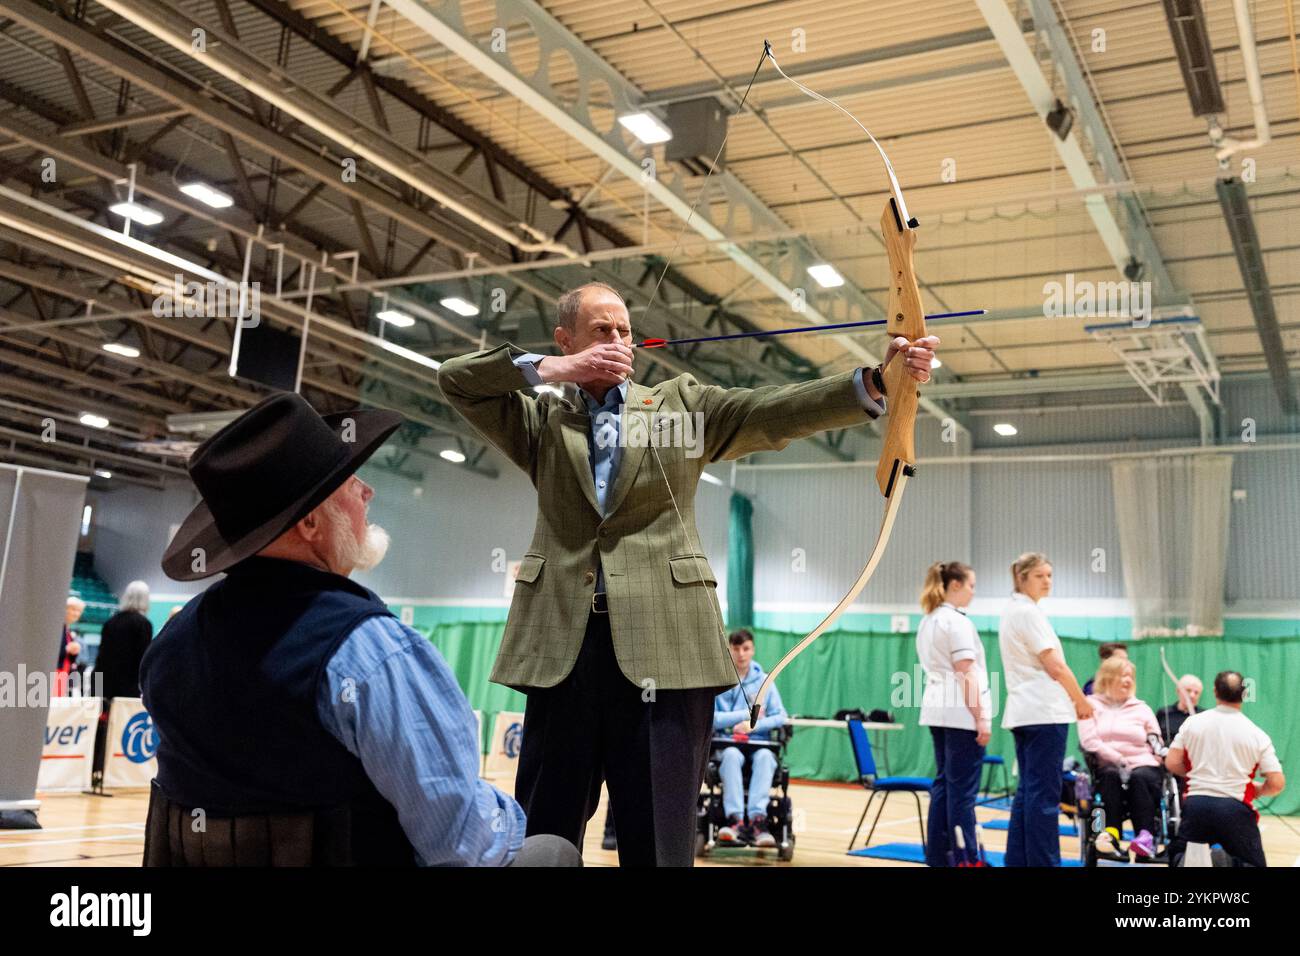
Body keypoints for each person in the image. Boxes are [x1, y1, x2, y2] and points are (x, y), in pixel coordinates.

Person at [438, 280, 940, 866]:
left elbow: (770, 411)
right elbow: (455, 379)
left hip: (668, 653)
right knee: (543, 837)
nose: (618, 339)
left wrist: (877, 381)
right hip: (561, 654)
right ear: (565, 337)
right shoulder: (540, 421)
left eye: (624, 329)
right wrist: (555, 369)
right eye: (601, 329)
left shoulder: (679, 407)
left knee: (658, 841)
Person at [140, 392, 578, 867]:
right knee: (552, 851)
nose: (367, 492)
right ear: (310, 522)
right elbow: (462, 843)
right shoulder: (370, 650)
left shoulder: (170, 642)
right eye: (350, 482)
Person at [999, 552, 1093, 867]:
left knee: (1028, 794)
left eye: (1050, 575)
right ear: (1022, 578)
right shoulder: (1028, 613)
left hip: (1026, 712)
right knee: (1043, 797)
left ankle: (1018, 861)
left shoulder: (1014, 610)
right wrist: (1080, 699)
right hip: (1043, 712)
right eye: (1040, 576)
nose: (1048, 582)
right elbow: (1055, 666)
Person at [1165, 671, 1284, 867]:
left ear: (1214, 691)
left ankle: (1191, 859)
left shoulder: (1192, 723)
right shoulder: (1256, 733)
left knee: (1179, 856)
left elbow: (1171, 762)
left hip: (1197, 806)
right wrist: (1258, 790)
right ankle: (1226, 862)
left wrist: (1198, 775)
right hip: (1234, 808)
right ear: (1244, 694)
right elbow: (1277, 783)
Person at [915, 561, 990, 867]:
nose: (973, 592)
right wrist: (981, 717)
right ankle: (966, 857)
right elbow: (965, 672)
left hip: (937, 709)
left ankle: (939, 856)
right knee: (962, 793)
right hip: (960, 713)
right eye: (971, 585)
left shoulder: (929, 620)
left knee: (945, 786)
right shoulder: (956, 622)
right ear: (955, 585)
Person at [1077, 656, 1163, 859]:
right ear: (1108, 678)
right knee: (1109, 776)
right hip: (1109, 764)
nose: (1128, 680)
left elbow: (1155, 739)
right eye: (1122, 675)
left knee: (1141, 777)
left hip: (1143, 762)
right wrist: (1118, 759)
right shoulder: (1090, 705)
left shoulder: (1141, 708)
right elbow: (1089, 741)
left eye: (1130, 677)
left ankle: (1145, 837)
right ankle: (1110, 834)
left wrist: (1163, 754)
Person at [713, 629, 786, 847]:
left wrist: (754, 726)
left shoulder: (765, 681)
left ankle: (758, 820)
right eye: (736, 649)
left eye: (745, 649)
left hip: (759, 744)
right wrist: (747, 715)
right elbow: (712, 719)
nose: (741, 654)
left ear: (752, 650)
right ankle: (734, 820)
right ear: (729, 650)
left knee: (765, 757)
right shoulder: (718, 680)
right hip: (728, 745)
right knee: (732, 756)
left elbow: (781, 716)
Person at [94, 581, 153, 701]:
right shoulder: (143, 624)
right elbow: (142, 658)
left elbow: (102, 655)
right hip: (128, 685)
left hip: (105, 681)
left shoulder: (111, 621)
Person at [1155, 674, 1203, 745]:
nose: (1192, 695)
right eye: (1188, 690)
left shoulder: (1203, 715)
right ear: (1178, 691)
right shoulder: (1163, 713)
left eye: (1196, 693)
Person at [55, 597, 84, 696]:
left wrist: (74, 652)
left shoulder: (67, 630)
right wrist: (68, 649)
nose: (76, 613)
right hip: (55, 673)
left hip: (63, 672)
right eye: (73, 609)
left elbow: (70, 658)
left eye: (79, 611)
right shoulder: (58, 627)